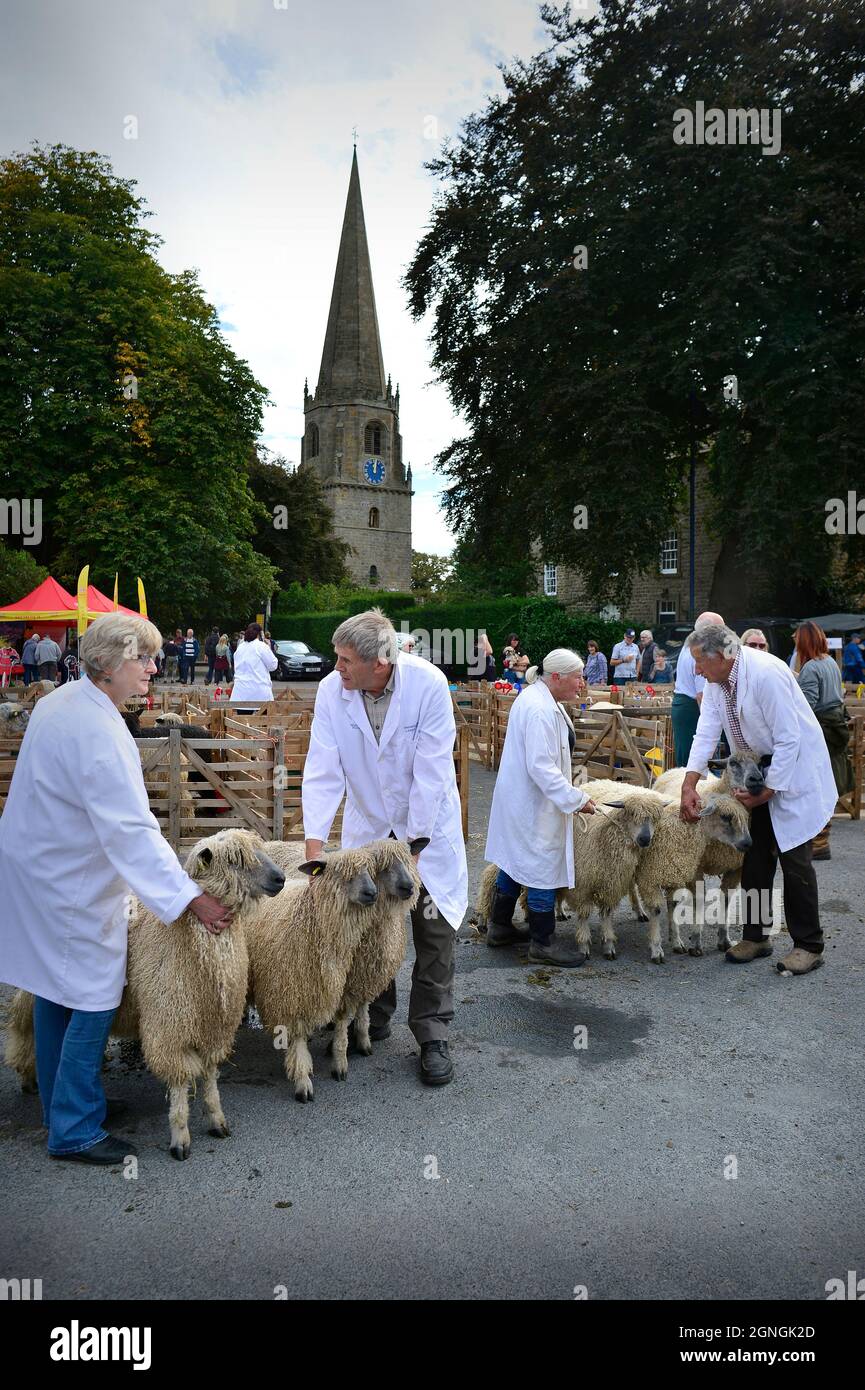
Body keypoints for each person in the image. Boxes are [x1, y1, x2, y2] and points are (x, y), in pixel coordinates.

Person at [0, 613, 233, 1165]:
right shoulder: (100, 731)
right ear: (108, 665)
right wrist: (191, 898)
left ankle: (70, 1102)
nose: (154, 667)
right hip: (68, 881)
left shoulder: (64, 702)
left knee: (56, 988)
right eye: (143, 658)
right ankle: (75, 1128)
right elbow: (131, 830)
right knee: (94, 994)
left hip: (43, 867)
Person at [302, 608, 468, 1087]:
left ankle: (432, 1033)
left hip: (426, 830)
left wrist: (412, 850)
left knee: (432, 930)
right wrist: (315, 848)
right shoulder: (334, 693)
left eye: (346, 659)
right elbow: (323, 768)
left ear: (381, 662)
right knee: (370, 927)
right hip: (369, 828)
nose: (337, 668)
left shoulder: (428, 685)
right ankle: (370, 1016)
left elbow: (433, 771)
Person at [680, 622, 837, 976]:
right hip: (755, 772)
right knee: (755, 857)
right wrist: (689, 783)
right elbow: (706, 731)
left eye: (700, 662)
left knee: (795, 858)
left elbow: (788, 737)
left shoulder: (766, 674)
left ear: (721, 656)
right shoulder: (718, 683)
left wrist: (771, 788)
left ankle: (809, 945)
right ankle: (756, 936)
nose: (696, 669)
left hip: (791, 770)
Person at [485, 648, 596, 968]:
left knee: (516, 859)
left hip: (524, 800)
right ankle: (543, 943)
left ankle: (500, 925)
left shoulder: (539, 698)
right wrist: (576, 799)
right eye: (578, 676)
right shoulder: (540, 710)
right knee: (541, 868)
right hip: (534, 803)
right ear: (557, 677)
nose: (582, 682)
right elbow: (542, 767)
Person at [795, 620, 852, 861]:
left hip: (822, 733)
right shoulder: (830, 663)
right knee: (825, 785)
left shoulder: (810, 668)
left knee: (814, 786)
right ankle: (821, 842)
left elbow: (807, 706)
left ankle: (818, 842)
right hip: (835, 729)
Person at [671, 610, 724, 765]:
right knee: (695, 761)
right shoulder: (701, 653)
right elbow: (702, 696)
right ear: (708, 632)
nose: (724, 634)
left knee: (685, 758)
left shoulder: (690, 644)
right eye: (720, 630)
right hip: (692, 708)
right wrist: (710, 729)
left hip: (683, 705)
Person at [229, 622, 277, 703]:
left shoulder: (240, 647)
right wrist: (269, 648)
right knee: (264, 715)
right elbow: (273, 666)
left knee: (242, 715)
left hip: (241, 692)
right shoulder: (262, 646)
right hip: (259, 691)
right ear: (259, 634)